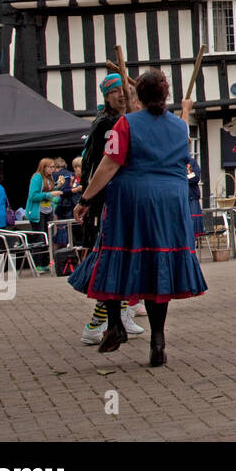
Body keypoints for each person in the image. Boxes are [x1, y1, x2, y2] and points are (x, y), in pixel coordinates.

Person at [69, 70, 208, 366]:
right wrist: (184, 110)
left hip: (132, 197)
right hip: (171, 201)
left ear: (137, 95)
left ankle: (116, 324)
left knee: (115, 256)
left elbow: (107, 166)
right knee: (158, 263)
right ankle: (158, 341)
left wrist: (85, 199)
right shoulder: (180, 127)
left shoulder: (126, 124)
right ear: (165, 95)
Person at [77, 74, 140, 344]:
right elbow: (97, 163)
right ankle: (96, 325)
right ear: (106, 96)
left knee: (129, 260)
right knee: (112, 261)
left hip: (130, 198)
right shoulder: (106, 123)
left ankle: (124, 313)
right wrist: (88, 197)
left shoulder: (130, 120)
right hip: (110, 200)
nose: (121, 95)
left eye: (124, 90)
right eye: (115, 91)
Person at [26, 158, 62, 236]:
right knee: (40, 238)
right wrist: (50, 194)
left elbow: (48, 191)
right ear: (44, 167)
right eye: (51, 167)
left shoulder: (50, 177)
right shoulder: (37, 177)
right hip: (38, 212)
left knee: (48, 236)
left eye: (54, 167)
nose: (53, 169)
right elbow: (33, 196)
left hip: (48, 210)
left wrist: (57, 187)